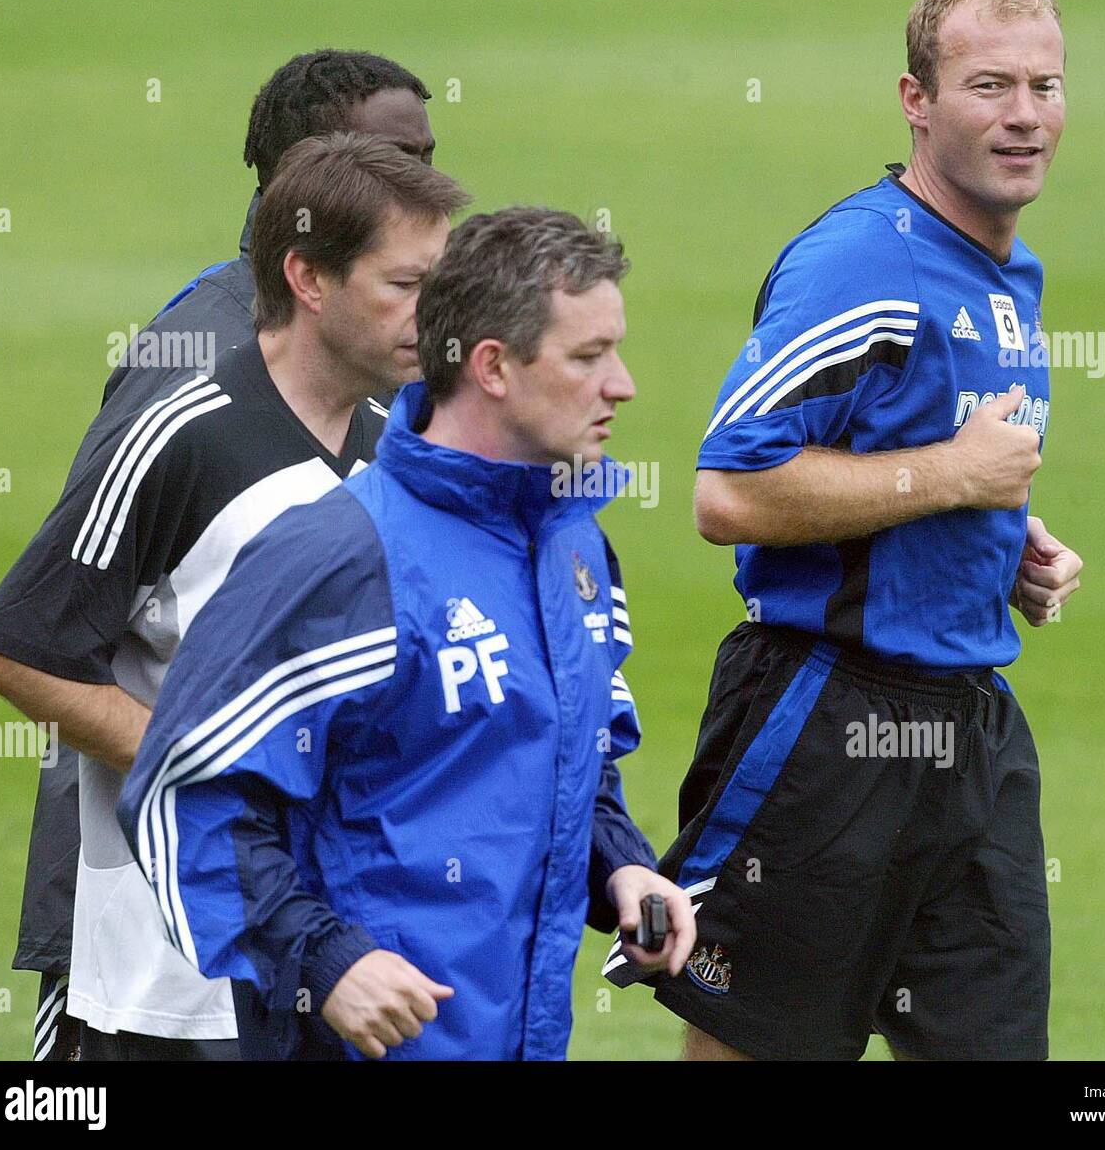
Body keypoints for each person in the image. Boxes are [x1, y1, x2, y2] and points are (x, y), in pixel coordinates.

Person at [604, 0, 1084, 1061]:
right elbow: (726, 491)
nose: (1024, 115)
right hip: (828, 723)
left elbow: (917, 456)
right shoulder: (862, 261)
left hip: (972, 725)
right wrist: (958, 481)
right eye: (989, 85)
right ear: (915, 100)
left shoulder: (1007, 274)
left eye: (1045, 87)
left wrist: (1001, 542)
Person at [116, 207, 697, 1060]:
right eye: (588, 356)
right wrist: (325, 960)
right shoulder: (342, 558)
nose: (623, 384)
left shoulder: (573, 541)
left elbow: (569, 752)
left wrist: (618, 865)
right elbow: (185, 790)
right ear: (493, 367)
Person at [0, 48, 437, 1062]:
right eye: (388, 159)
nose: (424, 188)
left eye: (426, 158)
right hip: (152, 944)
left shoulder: (384, 362)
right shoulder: (190, 370)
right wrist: (220, 772)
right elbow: (41, 634)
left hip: (310, 928)